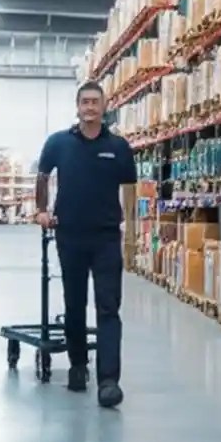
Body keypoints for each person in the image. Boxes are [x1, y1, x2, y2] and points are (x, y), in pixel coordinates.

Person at [33, 82, 137, 407]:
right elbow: (42, 175)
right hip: (70, 236)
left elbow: (130, 188)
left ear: (104, 107)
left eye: (95, 102)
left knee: (109, 307)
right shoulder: (58, 143)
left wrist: (131, 231)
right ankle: (78, 365)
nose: (90, 107)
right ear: (77, 107)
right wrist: (40, 211)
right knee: (75, 303)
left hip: (106, 237)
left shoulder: (119, 147)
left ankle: (109, 380)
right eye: (85, 102)